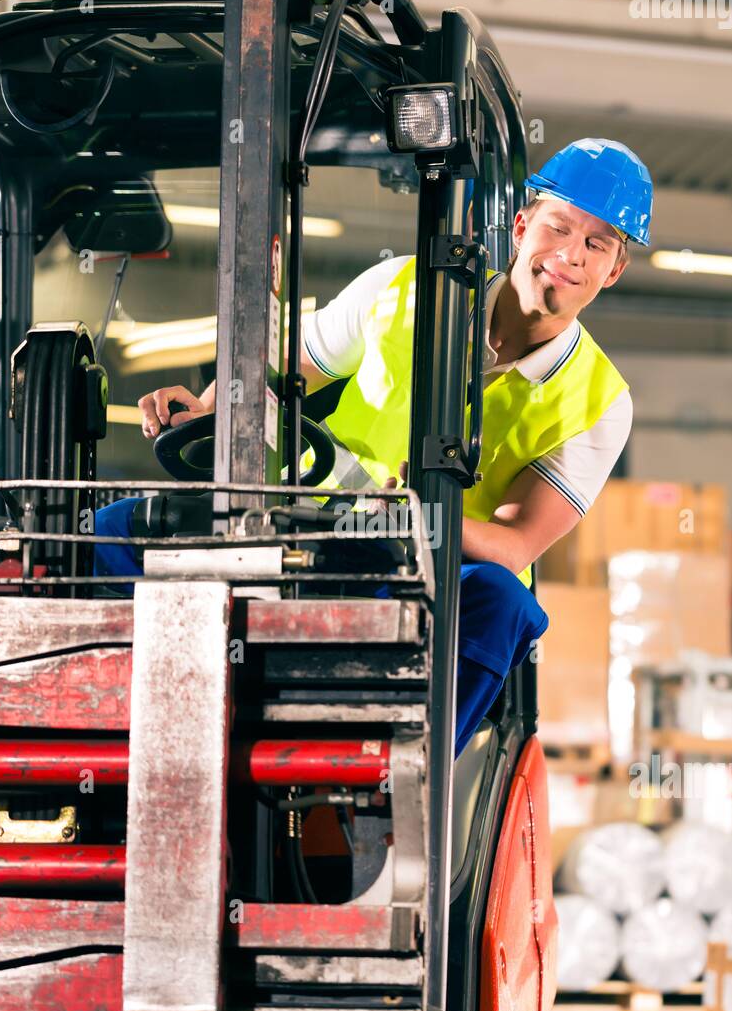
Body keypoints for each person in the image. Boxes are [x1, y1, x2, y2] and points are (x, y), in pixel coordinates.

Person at [96, 138, 653, 757]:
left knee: (503, 603)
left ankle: (399, 779)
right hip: (309, 530)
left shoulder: (601, 402)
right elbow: (286, 371)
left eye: (597, 244)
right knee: (113, 532)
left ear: (614, 269)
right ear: (522, 228)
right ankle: (135, 733)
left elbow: (516, 542)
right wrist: (205, 408)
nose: (569, 254)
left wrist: (423, 509)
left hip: (427, 574)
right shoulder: (403, 287)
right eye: (559, 228)